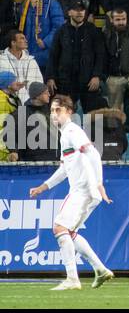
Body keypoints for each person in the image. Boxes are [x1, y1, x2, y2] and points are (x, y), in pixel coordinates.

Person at [27, 94, 114, 290]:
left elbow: (92, 153)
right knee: (69, 232)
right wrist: (43, 187)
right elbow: (65, 169)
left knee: (59, 228)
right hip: (85, 190)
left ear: (69, 112)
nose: (54, 114)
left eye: (58, 110)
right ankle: (100, 270)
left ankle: (72, 279)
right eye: (51, 110)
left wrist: (99, 183)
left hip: (83, 190)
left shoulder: (72, 131)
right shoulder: (66, 134)